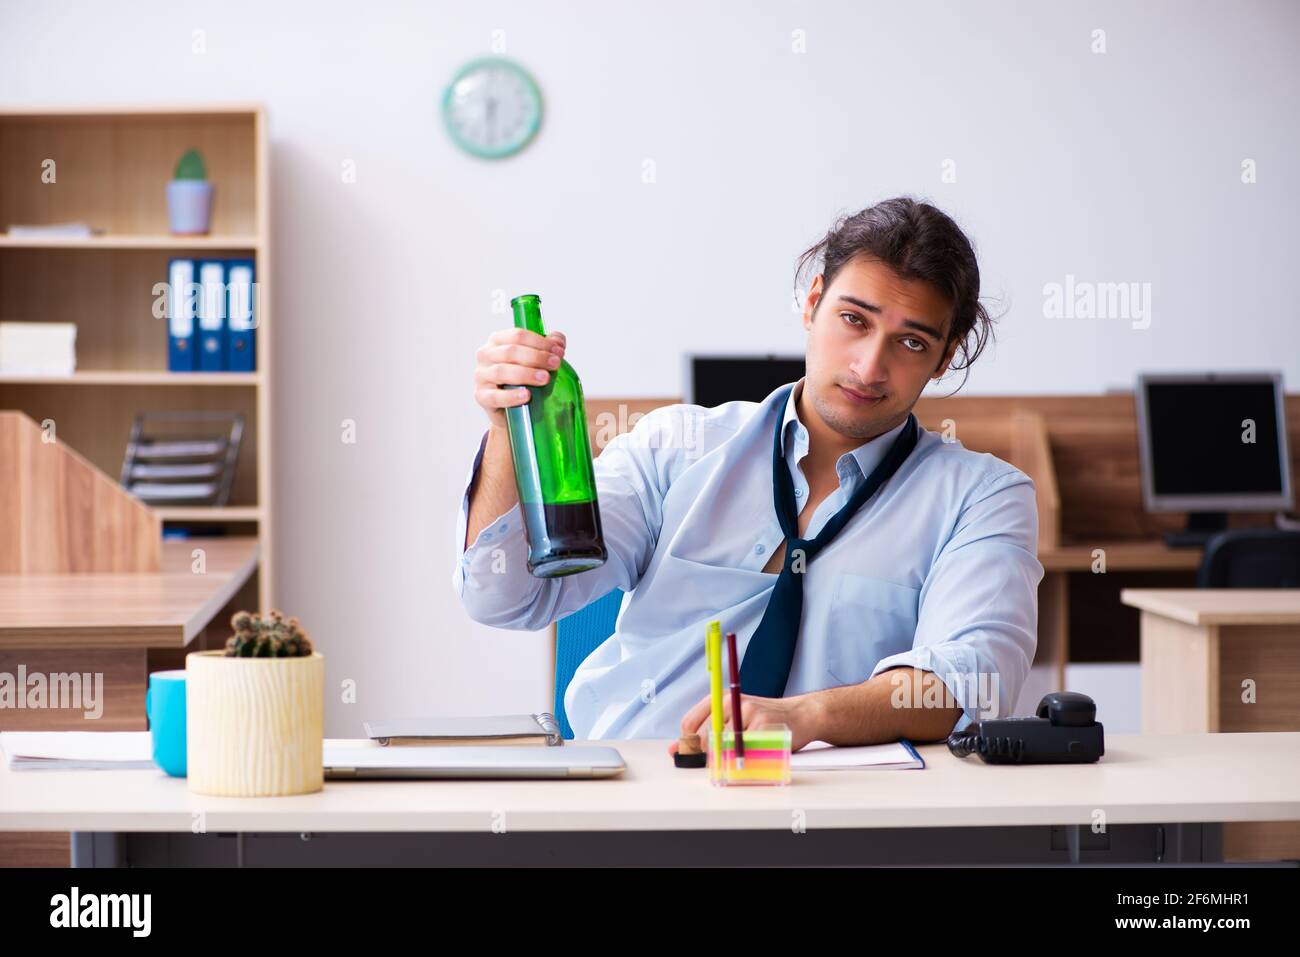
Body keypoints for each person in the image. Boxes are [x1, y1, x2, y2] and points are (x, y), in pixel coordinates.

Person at [454, 197, 1043, 755]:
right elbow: (503, 599)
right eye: (853, 320)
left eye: (911, 342)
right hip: (643, 791)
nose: (870, 366)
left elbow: (973, 680)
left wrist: (805, 718)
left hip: (843, 816)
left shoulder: (983, 497)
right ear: (812, 302)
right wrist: (508, 433)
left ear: (944, 357)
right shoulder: (672, 449)